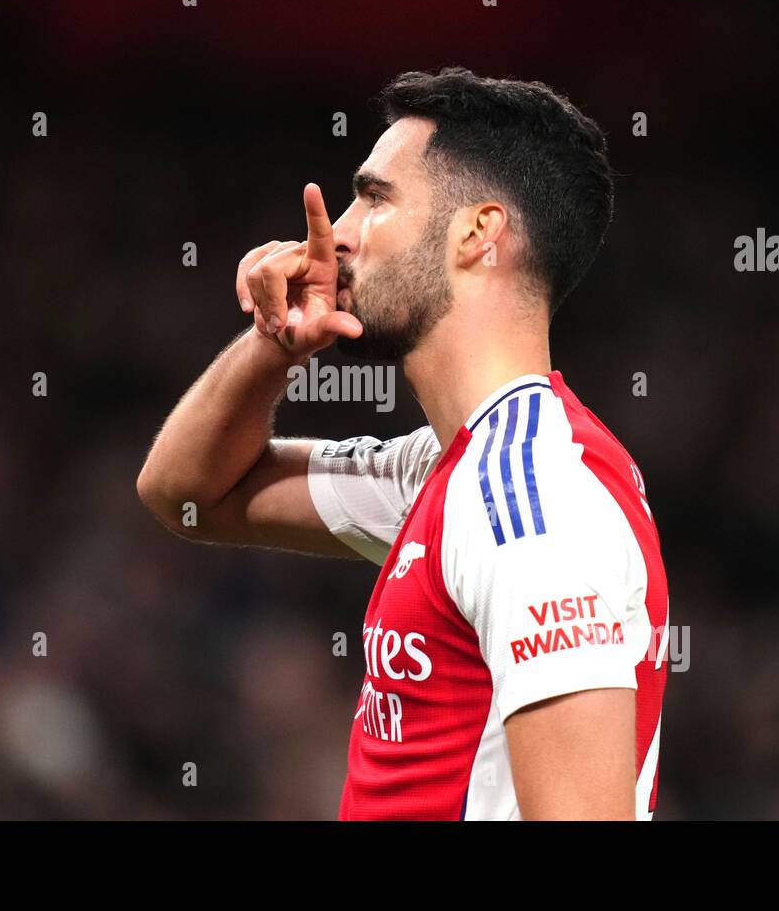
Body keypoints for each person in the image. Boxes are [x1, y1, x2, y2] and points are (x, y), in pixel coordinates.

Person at [138, 67, 669, 820]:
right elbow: (189, 495)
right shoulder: (446, 470)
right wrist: (273, 345)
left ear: (478, 233)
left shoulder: (528, 498)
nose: (338, 234)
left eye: (375, 198)